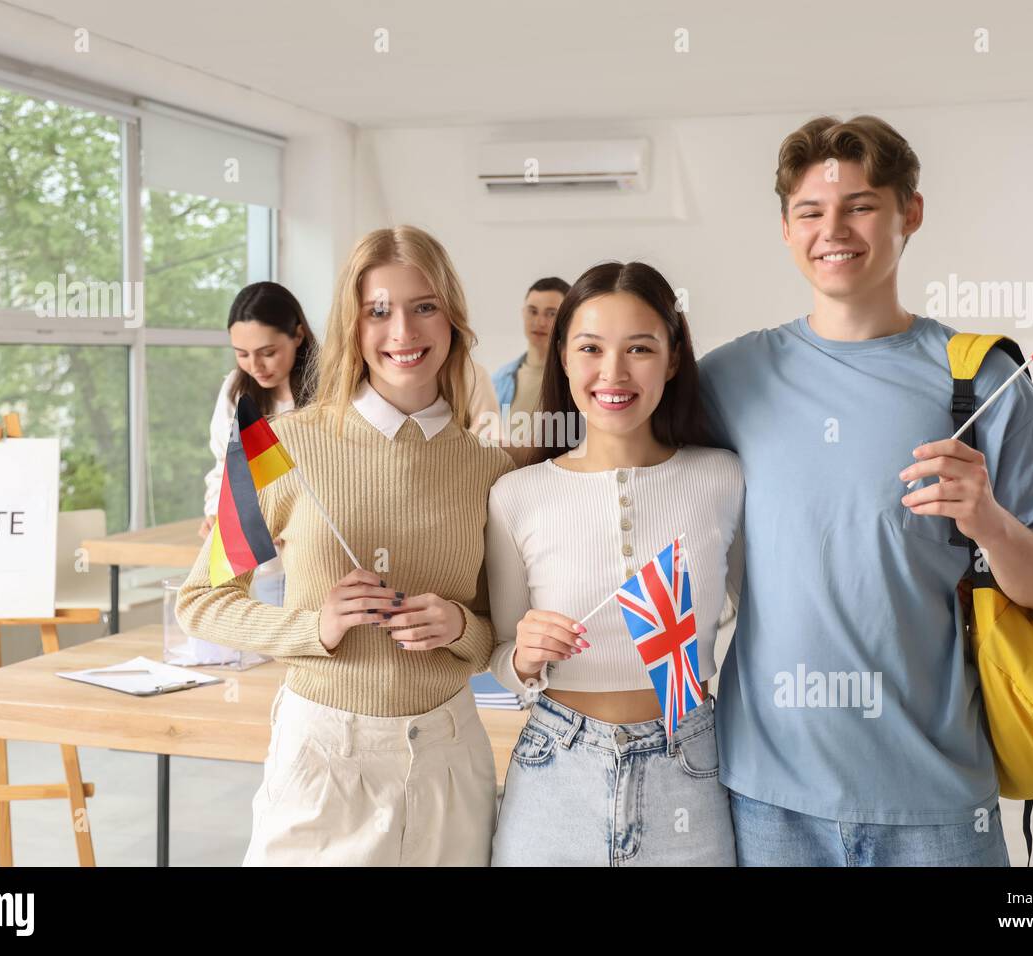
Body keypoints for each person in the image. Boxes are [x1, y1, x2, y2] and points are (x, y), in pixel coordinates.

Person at [698, 115, 1033, 866]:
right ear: (785, 228)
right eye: (810, 211)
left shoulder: (984, 381)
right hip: (769, 799)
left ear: (911, 212)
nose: (833, 231)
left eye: (861, 206)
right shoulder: (729, 380)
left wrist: (991, 524)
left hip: (936, 804)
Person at [177, 225, 514, 866]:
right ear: (351, 326)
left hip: (450, 760)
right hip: (323, 760)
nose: (403, 332)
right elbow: (201, 601)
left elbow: (499, 635)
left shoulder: (489, 469)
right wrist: (315, 628)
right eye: (378, 311)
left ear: (452, 319)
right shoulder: (278, 446)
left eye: (424, 307)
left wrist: (460, 626)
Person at [485, 261, 744, 866]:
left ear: (672, 359)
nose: (614, 372)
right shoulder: (517, 495)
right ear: (564, 359)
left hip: (688, 764)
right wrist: (522, 657)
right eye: (591, 348)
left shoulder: (722, 477)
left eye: (640, 349)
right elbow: (500, 659)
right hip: (554, 767)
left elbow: (764, 620)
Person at [200, 282, 316, 605]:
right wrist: (216, 514)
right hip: (267, 563)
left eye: (268, 353)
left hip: (318, 556)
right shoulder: (236, 391)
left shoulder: (331, 391)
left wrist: (292, 523)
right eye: (242, 354)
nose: (255, 366)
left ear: (298, 335)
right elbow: (225, 464)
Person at [490, 277, 569, 459]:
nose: (539, 322)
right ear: (523, 313)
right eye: (533, 311)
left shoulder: (575, 380)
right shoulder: (499, 380)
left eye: (551, 314)